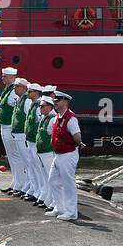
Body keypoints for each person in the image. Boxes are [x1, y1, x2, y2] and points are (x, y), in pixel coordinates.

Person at [45, 91, 83, 221]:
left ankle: (71, 212)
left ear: (65, 102)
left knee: (68, 183)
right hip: (58, 154)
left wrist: (79, 143)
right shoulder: (56, 117)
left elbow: (77, 136)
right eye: (54, 100)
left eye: (57, 100)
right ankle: (60, 208)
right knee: (53, 181)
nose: (54, 102)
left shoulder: (70, 118)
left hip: (68, 154)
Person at [18, 83, 45, 202]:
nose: (27, 93)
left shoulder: (39, 105)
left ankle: (41, 192)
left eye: (30, 91)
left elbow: (39, 123)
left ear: (36, 92)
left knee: (38, 168)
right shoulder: (33, 104)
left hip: (35, 140)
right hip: (30, 140)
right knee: (33, 166)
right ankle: (36, 190)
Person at [0, 68, 21, 193]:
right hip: (4, 126)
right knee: (11, 157)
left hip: (10, 127)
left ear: (12, 77)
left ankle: (20, 184)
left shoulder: (13, 92)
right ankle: (16, 182)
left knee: (15, 156)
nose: (2, 78)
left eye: (5, 76)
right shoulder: (7, 90)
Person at [8, 76, 32, 196]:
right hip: (17, 135)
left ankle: (29, 186)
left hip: (23, 136)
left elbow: (29, 118)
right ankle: (25, 185)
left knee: (27, 162)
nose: (15, 88)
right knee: (23, 160)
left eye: (17, 86)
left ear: (23, 88)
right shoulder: (19, 99)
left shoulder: (26, 101)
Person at [33, 95, 57, 208]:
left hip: (48, 152)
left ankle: (54, 201)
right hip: (42, 152)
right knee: (45, 176)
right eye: (40, 106)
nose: (40, 108)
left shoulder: (52, 119)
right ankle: (47, 199)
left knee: (51, 177)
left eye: (42, 106)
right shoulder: (44, 117)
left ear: (50, 107)